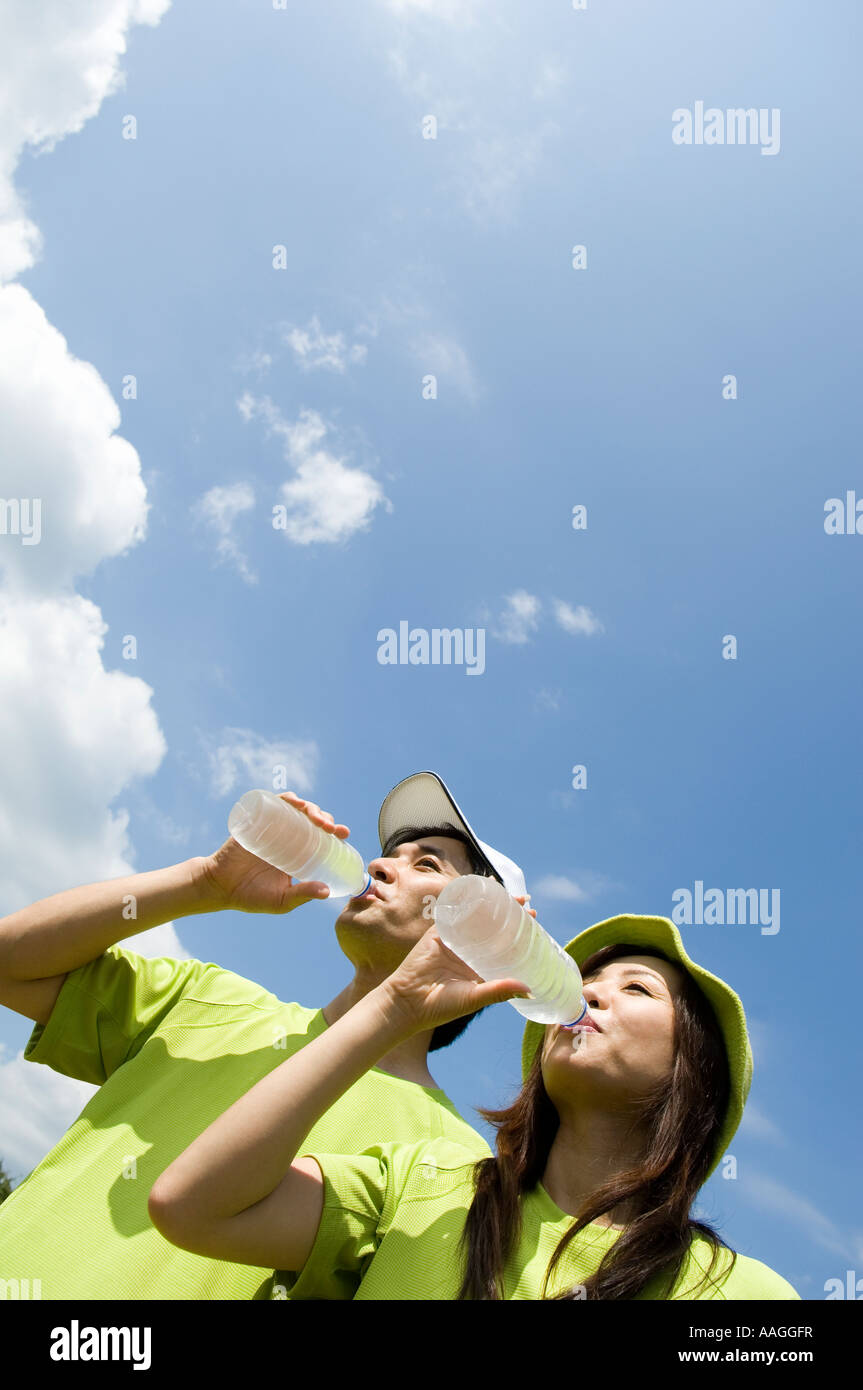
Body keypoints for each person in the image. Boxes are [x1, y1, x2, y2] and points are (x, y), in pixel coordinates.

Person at [0, 771, 531, 1299]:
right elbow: (12, 965)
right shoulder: (208, 998)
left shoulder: (455, 1165)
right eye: (393, 853)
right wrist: (202, 883)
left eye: (427, 864)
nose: (377, 864)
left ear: (484, 939)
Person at [149, 913, 800, 1300]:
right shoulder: (422, 1183)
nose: (591, 997)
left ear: (696, 1073)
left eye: (635, 989)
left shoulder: (735, 1290)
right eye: (583, 985)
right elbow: (191, 1206)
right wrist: (395, 1008)